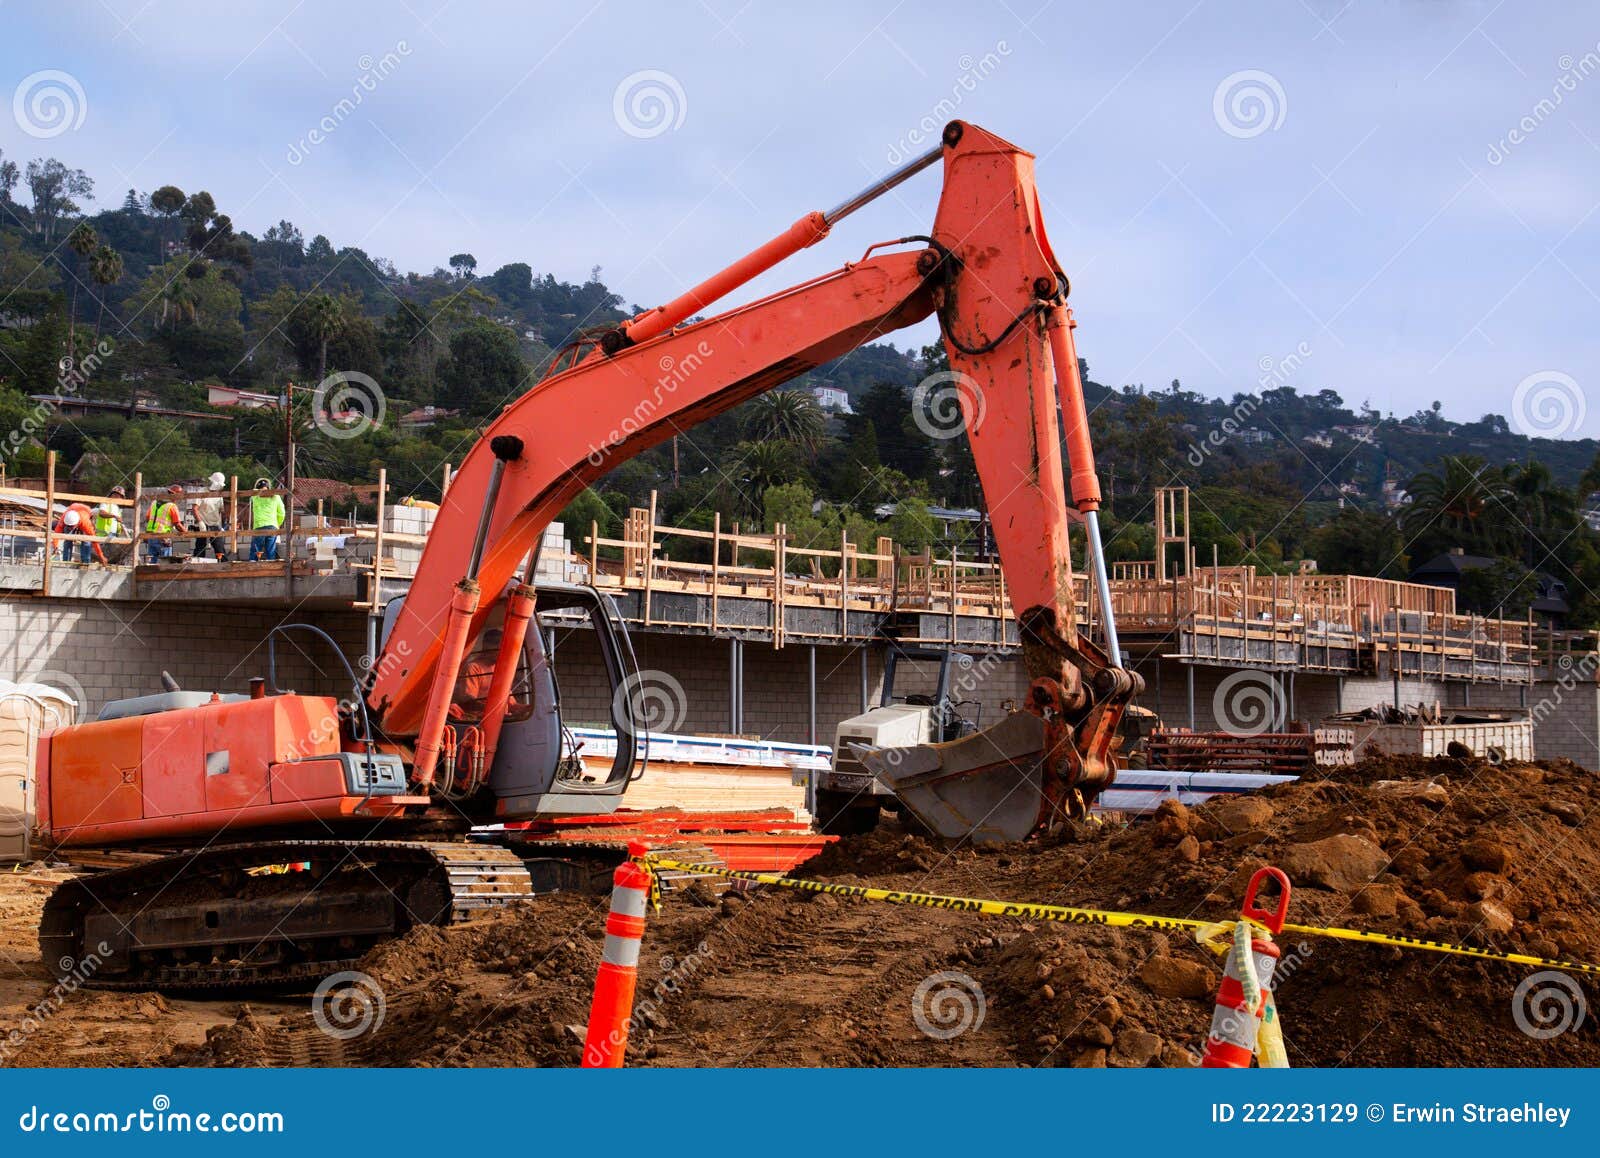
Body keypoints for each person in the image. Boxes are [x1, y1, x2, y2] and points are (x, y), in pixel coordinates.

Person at [190, 471, 229, 562]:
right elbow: (194, 508)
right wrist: (200, 523)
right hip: (202, 525)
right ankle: (197, 567)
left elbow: (221, 511)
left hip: (215, 525)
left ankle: (224, 566)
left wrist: (223, 525)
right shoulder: (202, 492)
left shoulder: (219, 495)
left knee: (220, 548)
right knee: (200, 548)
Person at [144, 484, 187, 564]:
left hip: (150, 537)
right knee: (165, 564)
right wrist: (186, 532)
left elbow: (147, 518)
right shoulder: (172, 506)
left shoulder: (154, 503)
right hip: (163, 538)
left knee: (151, 564)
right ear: (175, 495)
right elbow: (177, 524)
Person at [249, 477, 285, 562]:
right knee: (270, 551)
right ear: (268, 487)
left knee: (255, 552)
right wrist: (277, 524)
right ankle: (271, 569)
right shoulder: (276, 496)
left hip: (258, 526)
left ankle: (252, 570)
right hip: (272, 526)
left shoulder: (255, 497)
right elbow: (282, 513)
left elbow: (253, 490)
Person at [92, 493, 128, 565]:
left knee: (111, 558)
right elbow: (102, 513)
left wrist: (120, 528)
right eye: (120, 497)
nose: (121, 500)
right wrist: (114, 516)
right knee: (102, 557)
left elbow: (117, 521)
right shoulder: (105, 503)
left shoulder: (116, 507)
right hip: (103, 535)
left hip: (113, 535)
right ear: (114, 495)